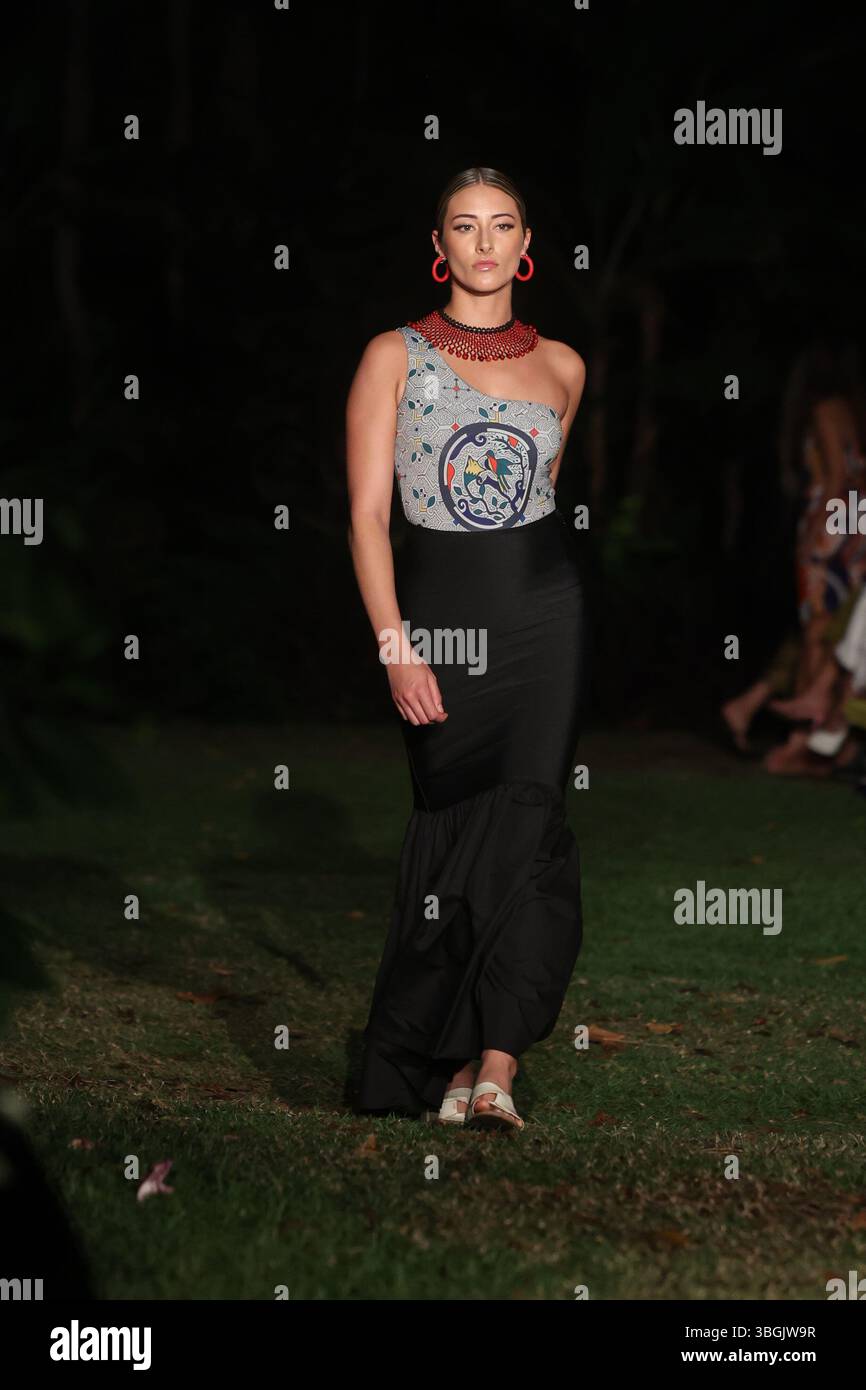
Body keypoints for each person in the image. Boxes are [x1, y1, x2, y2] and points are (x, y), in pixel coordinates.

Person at [346, 167, 587, 1132]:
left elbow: (539, 501)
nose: (483, 244)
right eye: (463, 226)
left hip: (544, 613)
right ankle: (436, 1055)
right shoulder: (392, 356)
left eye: (502, 225)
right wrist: (396, 648)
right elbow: (366, 518)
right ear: (438, 247)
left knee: (531, 823)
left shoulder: (565, 367)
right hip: (439, 619)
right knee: (455, 825)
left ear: (525, 244)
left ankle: (494, 1067)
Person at [721, 340, 866, 765]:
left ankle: (805, 739)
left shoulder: (823, 410)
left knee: (817, 630)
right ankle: (825, 738)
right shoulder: (853, 412)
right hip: (855, 524)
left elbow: (838, 478)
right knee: (832, 631)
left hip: (831, 526)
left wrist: (814, 533)